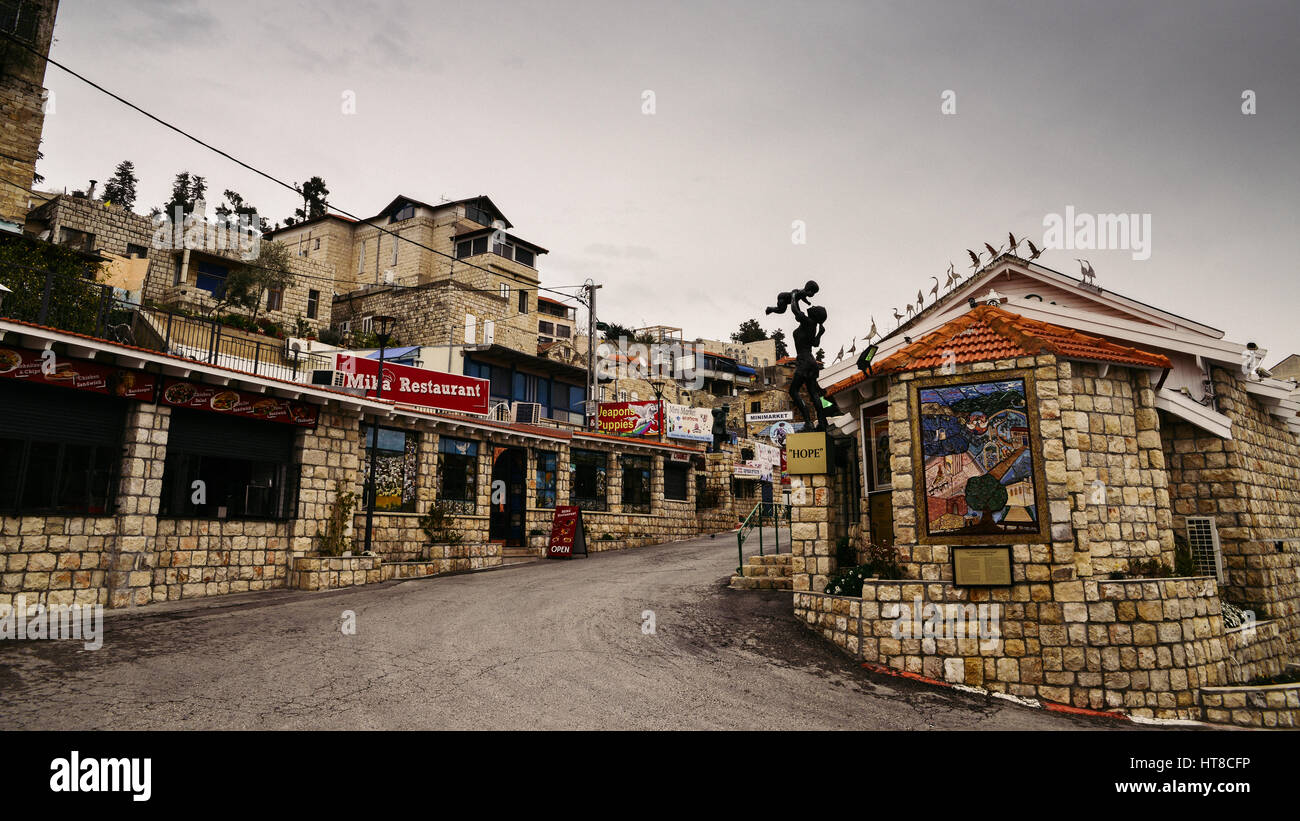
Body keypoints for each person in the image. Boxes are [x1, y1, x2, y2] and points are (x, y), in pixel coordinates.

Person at [788, 297, 831, 431]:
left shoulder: (808, 322)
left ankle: (808, 421)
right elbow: (815, 343)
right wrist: (820, 334)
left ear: (815, 314)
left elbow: (795, 310)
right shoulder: (812, 325)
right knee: (813, 393)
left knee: (793, 390)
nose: (813, 306)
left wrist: (794, 295)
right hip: (811, 361)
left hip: (804, 360)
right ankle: (822, 422)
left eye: (816, 307)